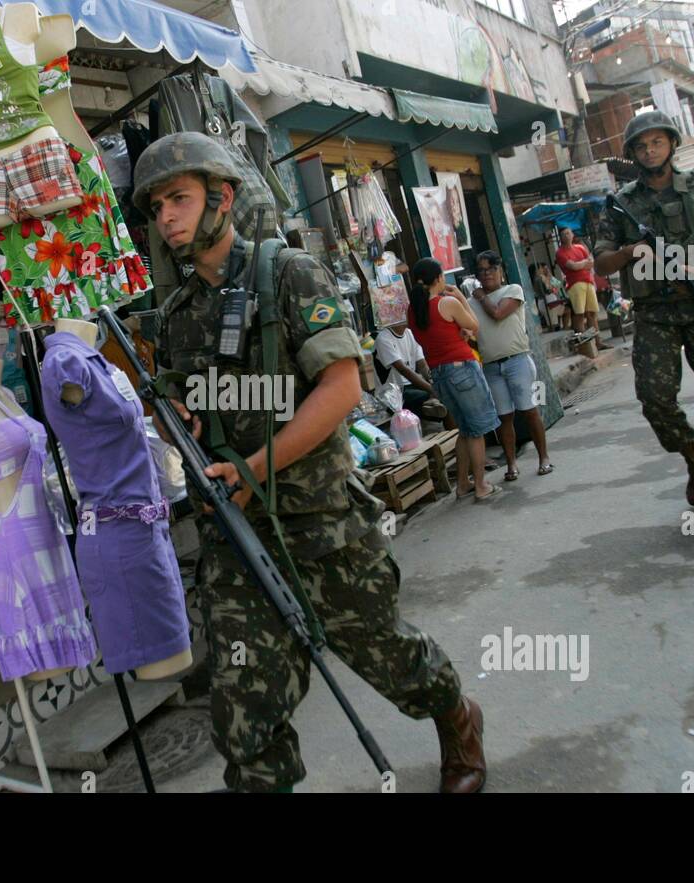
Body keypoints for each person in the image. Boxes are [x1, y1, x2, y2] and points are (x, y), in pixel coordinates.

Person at [132, 132, 485, 794]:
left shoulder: (292, 274)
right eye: (156, 208)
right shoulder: (178, 314)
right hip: (240, 538)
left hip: (320, 522)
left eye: (178, 199)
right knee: (244, 717)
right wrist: (182, 418)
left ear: (221, 198)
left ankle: (458, 717)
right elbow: (178, 404)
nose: (167, 217)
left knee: (392, 659)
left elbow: (343, 388)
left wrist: (254, 467)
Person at [594, 111, 694, 510]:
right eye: (642, 146)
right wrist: (630, 252)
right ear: (632, 153)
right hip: (654, 313)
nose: (650, 151)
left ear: (672, 145)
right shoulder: (621, 203)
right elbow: (600, 263)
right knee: (654, 397)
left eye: (657, 143)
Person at [407, 256, 502, 502]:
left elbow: (437, 335)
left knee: (464, 429)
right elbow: (474, 325)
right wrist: (461, 298)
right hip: (461, 369)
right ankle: (481, 485)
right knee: (477, 430)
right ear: (438, 278)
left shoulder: (413, 310)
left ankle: (462, 484)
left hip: (438, 374)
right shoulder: (446, 303)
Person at [468, 250, 553, 479]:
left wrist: (481, 297)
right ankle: (511, 465)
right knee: (504, 418)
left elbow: (497, 313)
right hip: (491, 366)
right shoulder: (471, 303)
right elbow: (469, 332)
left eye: (491, 269)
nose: (486, 275)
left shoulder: (513, 290)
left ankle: (544, 457)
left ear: (500, 271)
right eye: (481, 271)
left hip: (518, 360)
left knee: (530, 411)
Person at [373, 321, 446, 420]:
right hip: (392, 394)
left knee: (446, 390)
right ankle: (431, 403)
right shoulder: (383, 338)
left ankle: (432, 403)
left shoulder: (410, 333)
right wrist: (432, 389)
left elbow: (422, 364)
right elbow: (404, 370)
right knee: (441, 396)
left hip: (411, 386)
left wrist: (433, 381)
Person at [554, 226, 605, 342]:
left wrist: (580, 265)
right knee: (580, 314)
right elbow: (572, 266)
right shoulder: (560, 253)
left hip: (588, 281)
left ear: (572, 234)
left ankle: (598, 342)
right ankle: (584, 343)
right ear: (560, 237)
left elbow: (591, 262)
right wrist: (583, 263)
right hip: (575, 284)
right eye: (564, 234)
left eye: (568, 233)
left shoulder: (580, 248)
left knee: (592, 313)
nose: (567, 235)